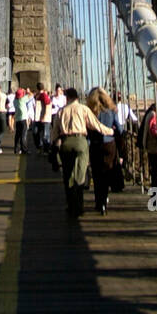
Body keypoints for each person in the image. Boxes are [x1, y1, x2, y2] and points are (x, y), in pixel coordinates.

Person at [50, 88, 115, 217]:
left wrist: (53, 146)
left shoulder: (61, 111)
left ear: (67, 98)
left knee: (68, 176)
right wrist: (110, 132)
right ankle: (79, 206)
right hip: (80, 142)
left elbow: (54, 133)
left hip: (66, 143)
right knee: (80, 176)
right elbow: (96, 125)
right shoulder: (83, 109)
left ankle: (71, 205)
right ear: (77, 97)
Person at [86, 87, 124, 215]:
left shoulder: (91, 112)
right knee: (107, 172)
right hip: (109, 145)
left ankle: (99, 202)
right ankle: (104, 200)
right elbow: (119, 129)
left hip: (95, 145)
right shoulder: (111, 111)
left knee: (97, 174)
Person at [34, 84, 52, 153]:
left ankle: (46, 149)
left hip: (44, 118)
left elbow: (47, 105)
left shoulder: (43, 95)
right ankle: (41, 147)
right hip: (39, 118)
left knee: (45, 134)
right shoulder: (38, 95)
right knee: (36, 132)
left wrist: (44, 116)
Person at [13, 88, 31, 154]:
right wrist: (27, 91)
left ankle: (16, 149)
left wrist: (22, 92)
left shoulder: (15, 101)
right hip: (23, 119)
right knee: (23, 135)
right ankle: (24, 150)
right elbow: (31, 95)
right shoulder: (22, 100)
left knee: (17, 135)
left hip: (17, 120)